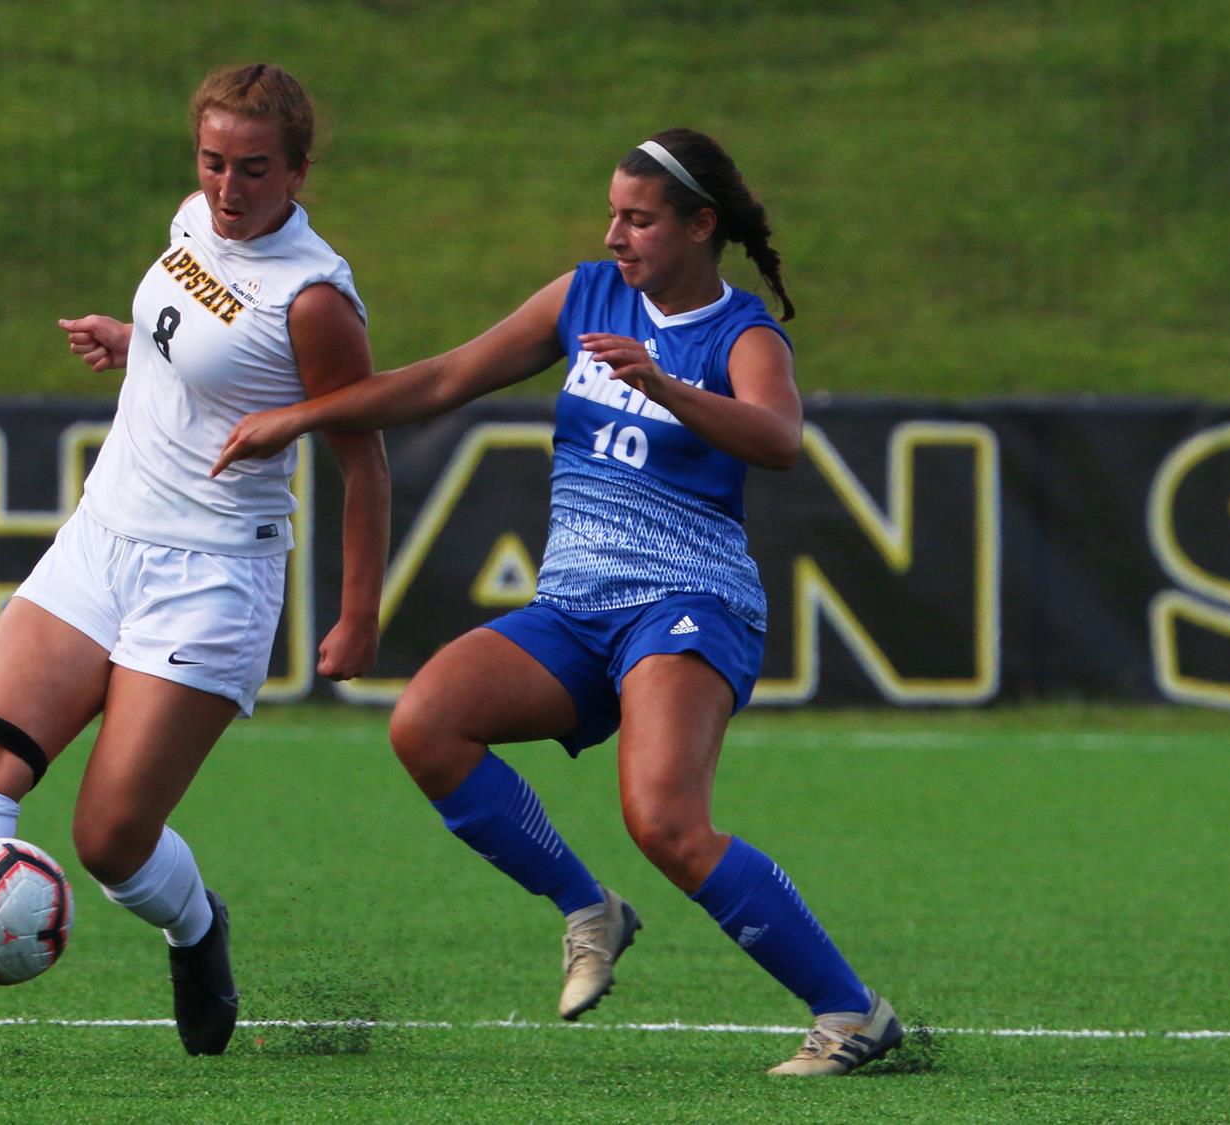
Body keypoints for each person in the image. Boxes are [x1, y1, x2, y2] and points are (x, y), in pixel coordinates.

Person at [212, 128, 899, 1076]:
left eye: (640, 219)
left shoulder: (742, 333)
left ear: (701, 227)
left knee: (663, 820)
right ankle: (590, 910)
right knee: (427, 722)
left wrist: (664, 383)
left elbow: (778, 437)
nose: (617, 235)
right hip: (573, 610)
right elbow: (447, 377)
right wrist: (304, 414)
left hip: (687, 603)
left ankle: (852, 1012)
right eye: (612, 214)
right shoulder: (586, 295)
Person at [0, 62, 388, 1058]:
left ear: (298, 172)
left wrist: (356, 611)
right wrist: (132, 341)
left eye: (253, 170)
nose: (229, 189)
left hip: (209, 579)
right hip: (101, 538)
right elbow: (194, 336)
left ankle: (196, 929)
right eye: (212, 163)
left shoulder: (314, 299)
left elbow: (362, 455)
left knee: (109, 840)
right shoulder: (191, 219)